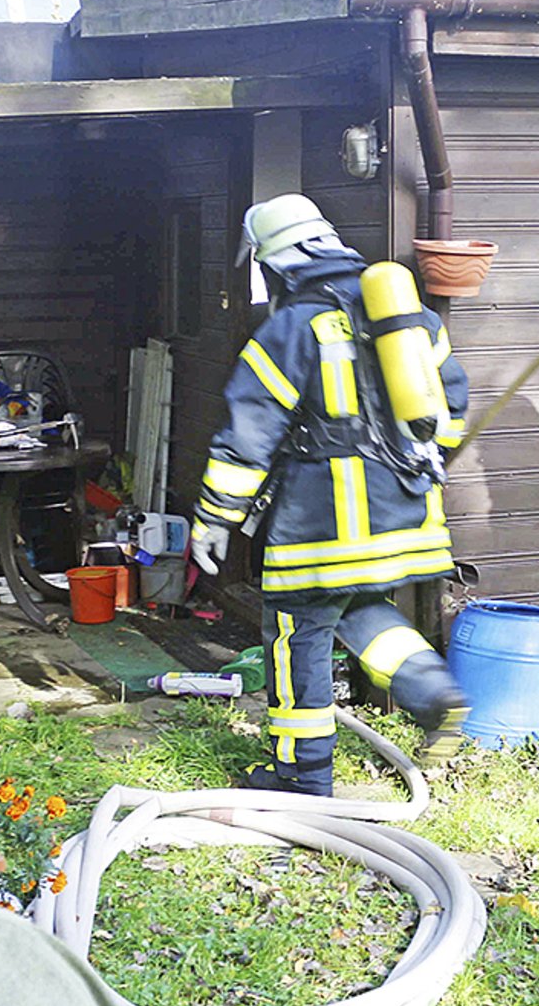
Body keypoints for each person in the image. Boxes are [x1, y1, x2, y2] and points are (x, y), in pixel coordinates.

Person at [188, 194, 472, 796]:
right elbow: (449, 418)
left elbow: (249, 433)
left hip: (323, 520)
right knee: (362, 607)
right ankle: (433, 693)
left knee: (297, 634)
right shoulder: (414, 317)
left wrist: (215, 516)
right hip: (405, 511)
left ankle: (300, 774)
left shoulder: (291, 327)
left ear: (277, 264)